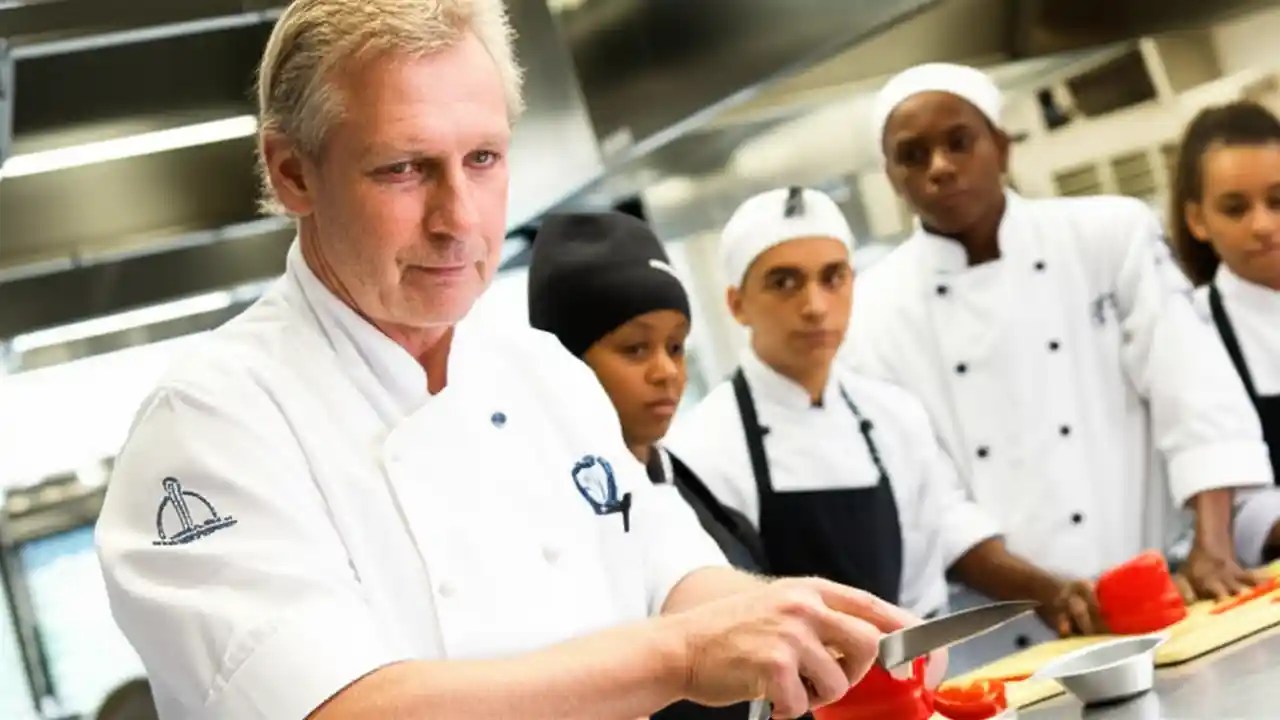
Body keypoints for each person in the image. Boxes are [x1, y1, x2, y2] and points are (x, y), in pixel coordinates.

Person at [93, 2, 918, 719]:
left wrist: (812, 620)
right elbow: (343, 708)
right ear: (293, 172)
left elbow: (671, 574)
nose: (460, 219)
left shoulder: (543, 371)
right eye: (404, 169)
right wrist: (679, 658)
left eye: (483, 159)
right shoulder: (213, 421)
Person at [844, 62, 1275, 667]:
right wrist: (1041, 591)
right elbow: (926, 495)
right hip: (1005, 642)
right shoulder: (871, 310)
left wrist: (1215, 544)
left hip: (1161, 598)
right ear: (891, 176)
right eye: (912, 155)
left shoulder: (1107, 234)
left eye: (958, 142)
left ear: (1001, 146)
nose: (939, 166)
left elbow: (1193, 388)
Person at [663, 187, 991, 639]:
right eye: (784, 282)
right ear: (737, 304)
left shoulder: (897, 418)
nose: (815, 307)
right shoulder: (702, 447)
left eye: (833, 277)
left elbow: (921, 601)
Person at [527, 211, 765, 720]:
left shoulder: (696, 493)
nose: (667, 372)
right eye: (635, 348)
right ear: (567, 362)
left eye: (676, 347)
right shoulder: (544, 524)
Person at [1169, 100, 1280, 565]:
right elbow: (1236, 508)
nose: (1263, 225)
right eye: (1236, 208)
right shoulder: (1191, 331)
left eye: (1278, 201)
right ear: (1197, 220)